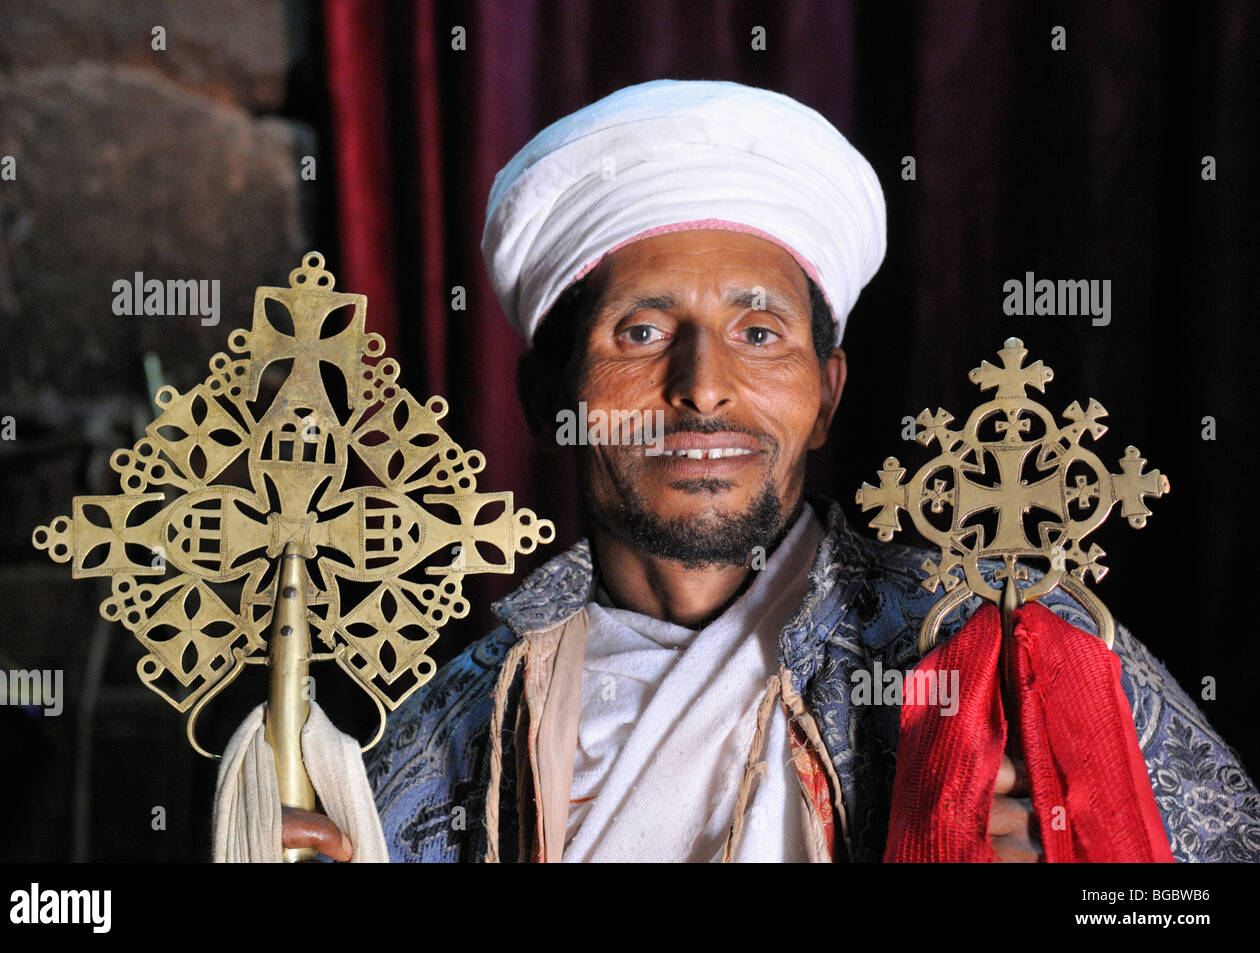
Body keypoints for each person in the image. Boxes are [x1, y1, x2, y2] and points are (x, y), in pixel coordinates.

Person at [286, 80, 1259, 863]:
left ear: (826, 393)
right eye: (643, 331)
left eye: (759, 333)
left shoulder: (995, 641)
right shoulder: (448, 730)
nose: (703, 388)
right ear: (551, 399)